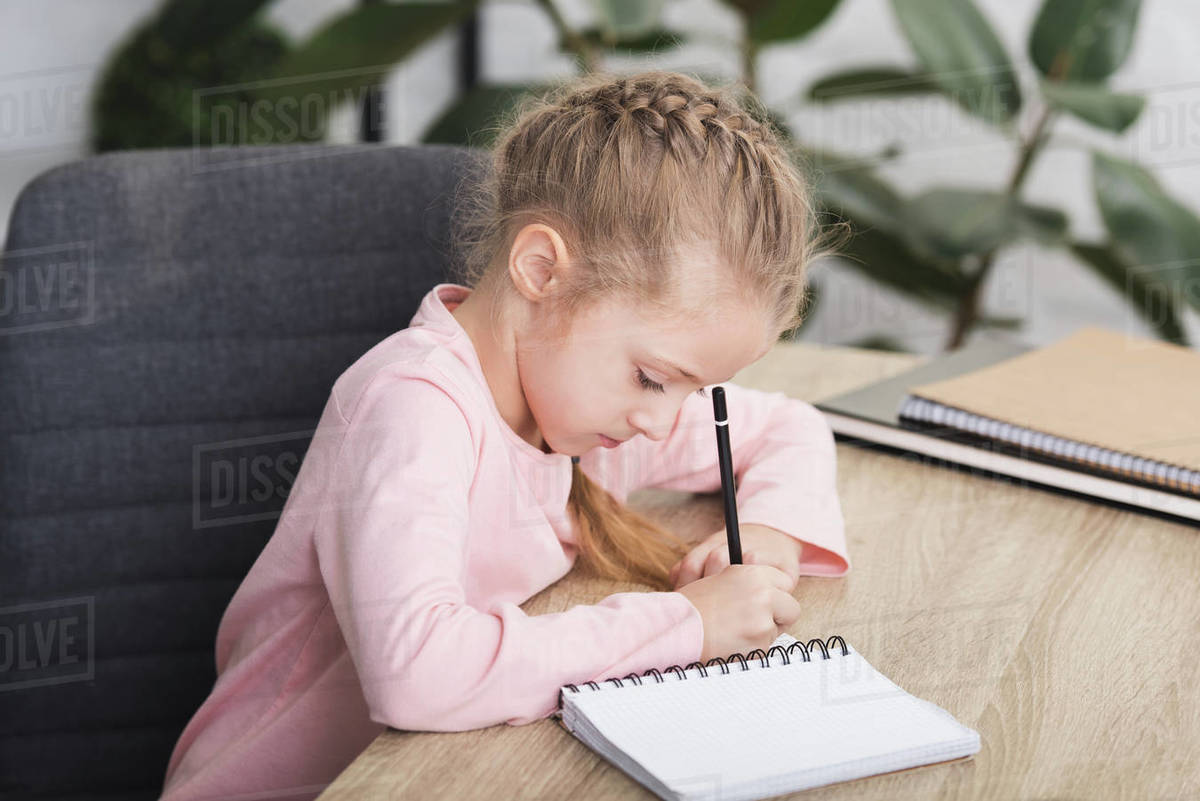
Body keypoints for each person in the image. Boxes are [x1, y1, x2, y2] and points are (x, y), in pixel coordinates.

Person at [159, 68, 851, 801]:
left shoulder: (590, 409)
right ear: (541, 269)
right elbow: (417, 673)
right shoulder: (414, 408)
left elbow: (789, 426)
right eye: (654, 377)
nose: (663, 420)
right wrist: (685, 624)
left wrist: (770, 537)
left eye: (694, 390)